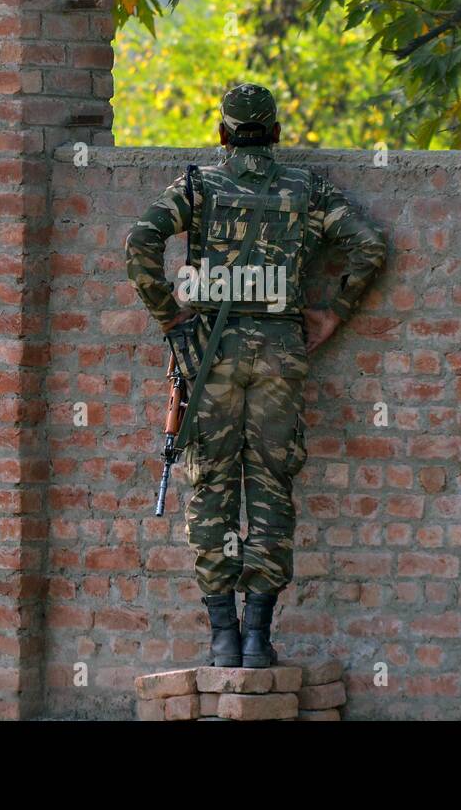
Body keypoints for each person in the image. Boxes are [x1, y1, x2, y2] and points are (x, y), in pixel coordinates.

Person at [124, 83, 387, 668]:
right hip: (279, 354)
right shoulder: (306, 189)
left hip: (209, 356)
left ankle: (221, 636)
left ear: (222, 134)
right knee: (271, 486)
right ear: (274, 133)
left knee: (212, 487)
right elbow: (368, 245)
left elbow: (140, 241)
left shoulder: (197, 186)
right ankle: (258, 639)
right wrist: (333, 313)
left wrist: (171, 318)